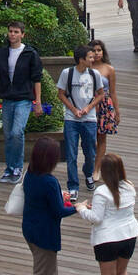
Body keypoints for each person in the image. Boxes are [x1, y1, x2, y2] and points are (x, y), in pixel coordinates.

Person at [75, 153, 138, 275]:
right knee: (122, 272)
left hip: (107, 239)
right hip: (128, 234)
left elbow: (96, 218)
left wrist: (81, 209)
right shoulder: (129, 186)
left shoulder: (101, 192)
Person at [22, 136, 77, 275]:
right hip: (45, 234)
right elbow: (59, 211)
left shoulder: (30, 174)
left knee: (49, 272)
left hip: (30, 229)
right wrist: (78, 207)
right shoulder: (49, 182)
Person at [0, 20, 43, 182]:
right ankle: (9, 168)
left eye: (16, 32)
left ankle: (17, 167)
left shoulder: (30, 54)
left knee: (17, 132)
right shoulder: (2, 53)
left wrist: (38, 101)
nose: (13, 34)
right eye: (10, 31)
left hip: (23, 98)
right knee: (8, 134)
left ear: (22, 34)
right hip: (7, 98)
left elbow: (37, 78)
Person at [57, 46, 105, 203]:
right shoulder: (67, 73)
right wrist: (73, 109)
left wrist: (88, 108)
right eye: (90, 57)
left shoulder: (94, 74)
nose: (93, 59)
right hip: (71, 118)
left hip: (89, 119)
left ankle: (88, 172)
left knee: (90, 152)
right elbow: (61, 94)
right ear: (81, 60)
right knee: (71, 154)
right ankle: (73, 186)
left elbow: (101, 94)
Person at [87, 40, 119, 178]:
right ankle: (89, 163)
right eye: (94, 50)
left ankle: (96, 169)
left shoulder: (109, 69)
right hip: (88, 103)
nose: (97, 53)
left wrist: (117, 111)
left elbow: (113, 92)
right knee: (88, 137)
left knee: (101, 137)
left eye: (99, 50)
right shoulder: (85, 67)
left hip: (104, 104)